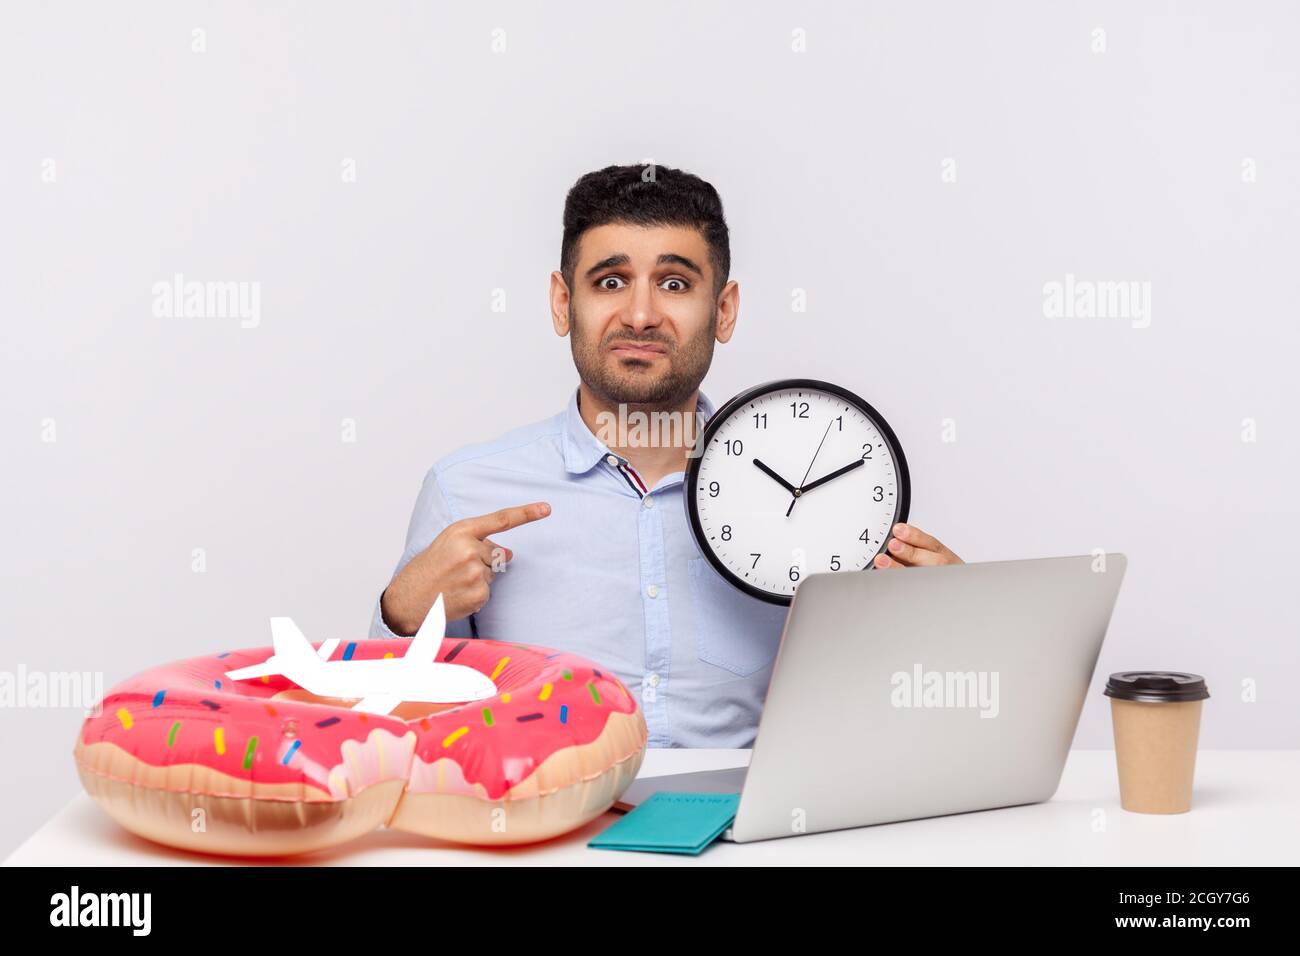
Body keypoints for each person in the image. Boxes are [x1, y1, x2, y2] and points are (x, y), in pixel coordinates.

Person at [370, 163, 963, 748]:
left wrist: (967, 625)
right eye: (610, 281)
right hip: (550, 833)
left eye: (675, 284)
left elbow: (887, 726)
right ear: (561, 302)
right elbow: (387, 735)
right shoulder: (467, 490)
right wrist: (401, 614)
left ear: (723, 310)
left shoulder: (824, 508)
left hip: (752, 835)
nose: (641, 315)